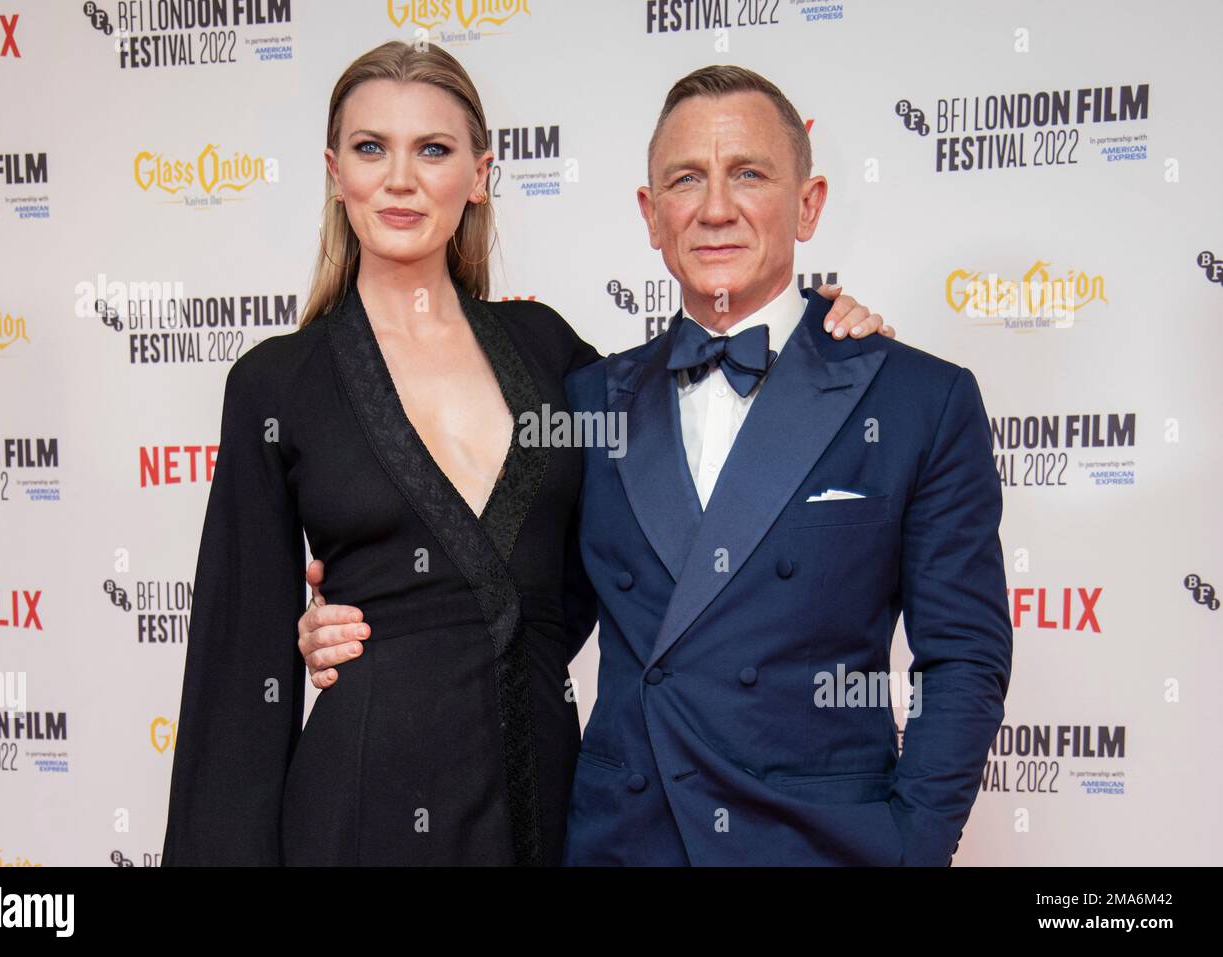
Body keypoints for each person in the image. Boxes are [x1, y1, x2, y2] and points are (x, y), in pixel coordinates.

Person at [160, 42, 891, 867]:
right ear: (335, 172)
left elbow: (689, 444)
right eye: (372, 148)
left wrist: (821, 342)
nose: (400, 179)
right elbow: (235, 681)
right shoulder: (274, 383)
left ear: (479, 174)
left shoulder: (551, 356)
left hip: (545, 796)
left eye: (433, 149)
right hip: (361, 800)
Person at [299, 62, 1010, 867]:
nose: (714, 208)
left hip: (820, 847)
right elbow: (519, 609)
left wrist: (911, 848)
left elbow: (965, 659)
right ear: (650, 214)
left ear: (807, 205)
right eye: (685, 179)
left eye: (748, 174)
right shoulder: (588, 395)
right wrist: (364, 633)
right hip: (622, 843)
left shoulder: (919, 398)